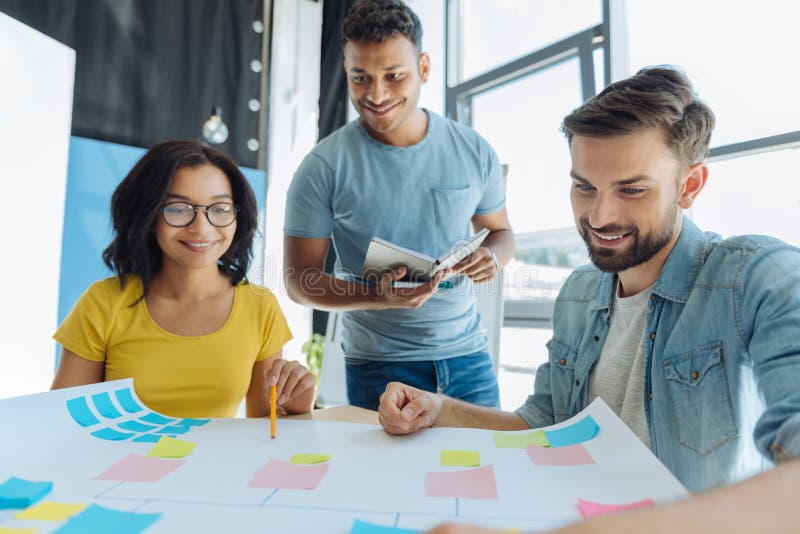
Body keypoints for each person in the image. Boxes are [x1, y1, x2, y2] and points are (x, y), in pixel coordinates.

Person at [378, 67, 800, 532]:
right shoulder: (579, 293)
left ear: (690, 185)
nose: (599, 216)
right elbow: (545, 423)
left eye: (632, 189)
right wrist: (441, 409)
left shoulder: (758, 277)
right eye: (584, 186)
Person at [283, 0, 514, 410]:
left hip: (469, 360)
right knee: (390, 478)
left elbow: (501, 233)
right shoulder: (323, 167)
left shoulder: (474, 150)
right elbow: (299, 281)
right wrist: (377, 296)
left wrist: (492, 258)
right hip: (378, 365)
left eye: (394, 76)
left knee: (482, 472)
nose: (376, 94)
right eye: (360, 78)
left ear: (423, 68)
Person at [52, 140, 315, 418]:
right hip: (119, 461)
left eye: (220, 208)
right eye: (178, 208)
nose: (201, 228)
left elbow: (266, 426)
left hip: (218, 462)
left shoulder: (260, 307)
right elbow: (62, 421)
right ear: (149, 214)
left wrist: (296, 406)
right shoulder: (103, 303)